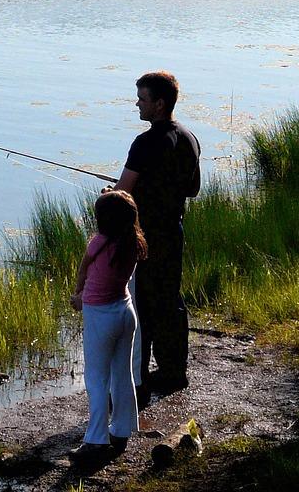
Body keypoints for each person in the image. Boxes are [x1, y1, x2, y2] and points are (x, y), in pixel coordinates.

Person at [112, 70, 200, 404]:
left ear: (159, 104)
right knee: (170, 301)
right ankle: (174, 372)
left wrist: (111, 192)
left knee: (142, 305)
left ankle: (139, 379)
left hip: (144, 236)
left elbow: (123, 191)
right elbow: (192, 189)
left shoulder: (145, 142)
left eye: (142, 98)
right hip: (173, 232)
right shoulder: (189, 137)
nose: (137, 103)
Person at [69, 190, 147, 464]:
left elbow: (83, 270)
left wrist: (78, 296)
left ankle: (95, 440)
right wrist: (115, 197)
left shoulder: (98, 243)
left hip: (101, 316)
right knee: (122, 373)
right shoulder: (134, 242)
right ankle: (121, 431)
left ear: (103, 221)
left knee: (96, 378)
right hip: (125, 312)